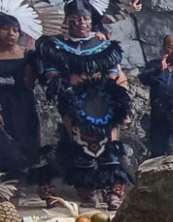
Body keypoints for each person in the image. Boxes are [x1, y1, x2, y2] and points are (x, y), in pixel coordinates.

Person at [36, 0, 132, 209]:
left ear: (91, 20)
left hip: (103, 103)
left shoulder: (104, 45)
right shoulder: (55, 46)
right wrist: (63, 87)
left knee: (109, 149)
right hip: (73, 103)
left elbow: (113, 72)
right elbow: (50, 72)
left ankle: (113, 192)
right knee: (80, 148)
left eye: (85, 18)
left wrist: (113, 94)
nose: (81, 22)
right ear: (67, 20)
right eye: (76, 19)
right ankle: (87, 192)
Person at [0, 13, 40, 191]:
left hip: (24, 105)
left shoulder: (28, 54)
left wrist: (31, 68)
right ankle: (0, 191)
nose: (11, 34)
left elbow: (29, 84)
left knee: (25, 142)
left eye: (15, 30)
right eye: (5, 29)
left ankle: (18, 189)